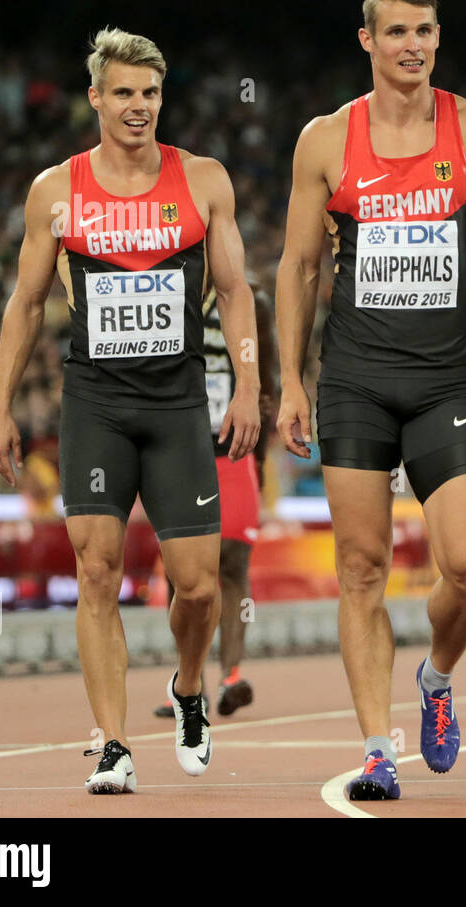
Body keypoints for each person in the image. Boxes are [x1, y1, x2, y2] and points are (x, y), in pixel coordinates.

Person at [276, 0, 466, 801]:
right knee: (361, 568)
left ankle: (437, 676)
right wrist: (289, 378)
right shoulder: (325, 141)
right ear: (367, 42)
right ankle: (377, 748)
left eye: (425, 29)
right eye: (396, 32)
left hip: (444, 381)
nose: (413, 45)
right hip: (353, 379)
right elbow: (300, 266)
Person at [0, 28, 261, 794]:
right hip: (97, 403)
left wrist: (247, 384)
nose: (138, 107)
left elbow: (237, 292)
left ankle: (188, 685)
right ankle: (113, 743)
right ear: (96, 99)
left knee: (199, 584)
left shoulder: (203, 180)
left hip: (177, 403)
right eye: (124, 94)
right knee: (96, 570)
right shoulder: (57, 190)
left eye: (150, 94)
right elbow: (27, 303)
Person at [153, 277, 277, 718]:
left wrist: (261, 459)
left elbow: (269, 380)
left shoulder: (252, 300)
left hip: (233, 451)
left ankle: (231, 676)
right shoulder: (163, 286)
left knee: (233, 560)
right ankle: (191, 685)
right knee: (181, 570)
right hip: (178, 451)